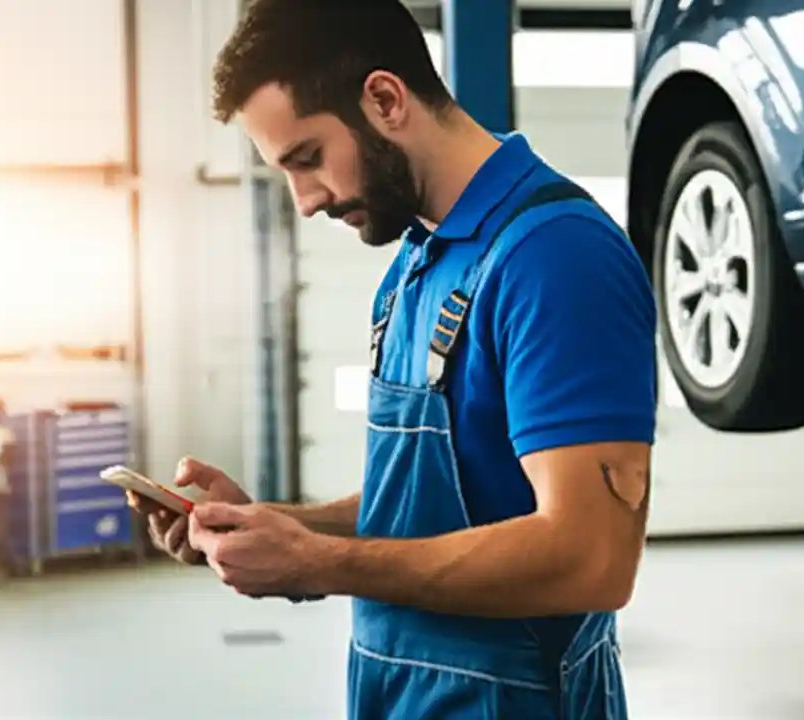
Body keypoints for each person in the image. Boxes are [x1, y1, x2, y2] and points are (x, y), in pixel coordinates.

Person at [126, 1, 657, 717]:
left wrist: (320, 563)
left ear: (384, 98)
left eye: (308, 159)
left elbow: (592, 557)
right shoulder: (415, 261)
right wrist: (273, 527)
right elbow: (427, 507)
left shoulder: (556, 256)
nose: (305, 201)